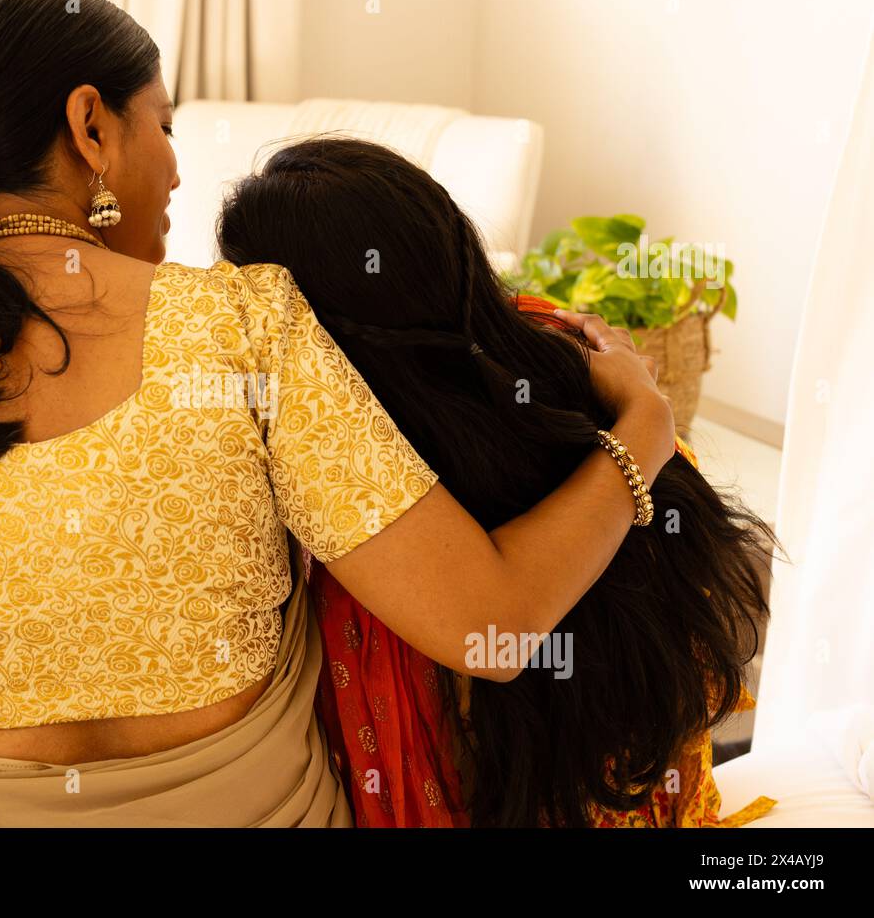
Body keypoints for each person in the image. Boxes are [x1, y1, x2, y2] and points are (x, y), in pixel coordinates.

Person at [0, 0, 674, 827]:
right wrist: (643, 436)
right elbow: (484, 625)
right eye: (164, 124)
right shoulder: (244, 324)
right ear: (89, 126)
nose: (179, 166)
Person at [215, 135, 779, 827]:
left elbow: (501, 631)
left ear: (317, 343)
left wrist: (645, 431)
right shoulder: (590, 377)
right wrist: (645, 423)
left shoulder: (360, 493)